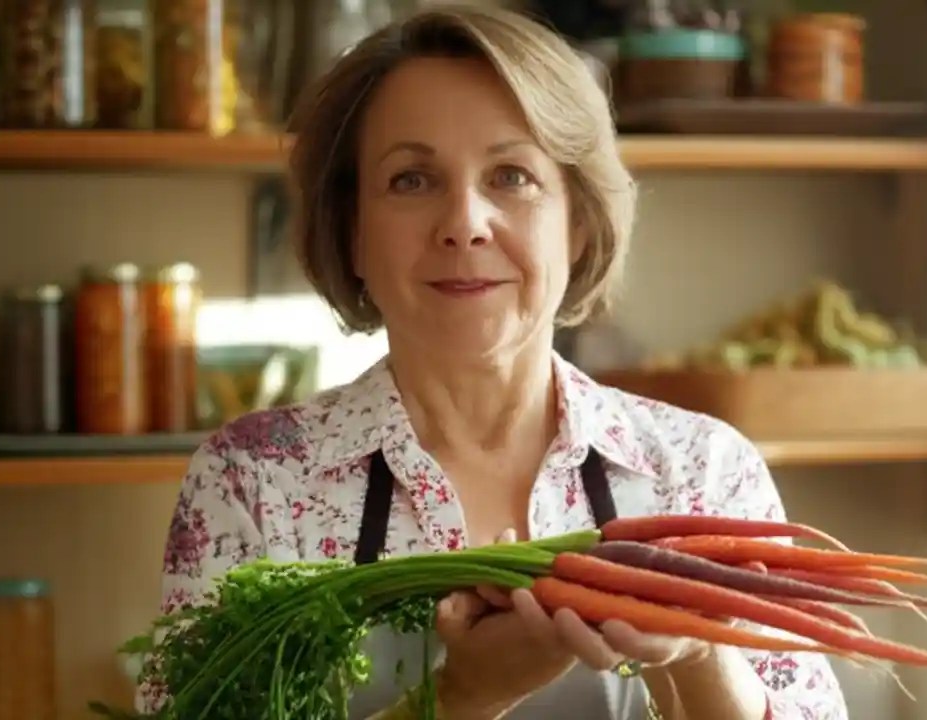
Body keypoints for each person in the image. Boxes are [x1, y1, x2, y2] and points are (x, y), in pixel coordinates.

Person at [141, 4, 848, 719]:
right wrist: (465, 696)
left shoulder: (699, 473)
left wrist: (702, 655)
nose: (463, 224)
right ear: (352, 233)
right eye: (412, 180)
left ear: (577, 223)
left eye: (511, 176)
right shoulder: (255, 482)